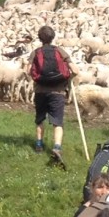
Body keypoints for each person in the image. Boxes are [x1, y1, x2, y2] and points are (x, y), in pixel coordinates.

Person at [30, 24, 74, 165]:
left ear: (39, 38)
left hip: (40, 91)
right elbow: (76, 70)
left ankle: (38, 144)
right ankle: (57, 147)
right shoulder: (60, 51)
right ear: (53, 37)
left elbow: (28, 70)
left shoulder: (36, 52)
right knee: (57, 121)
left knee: (40, 118)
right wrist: (69, 77)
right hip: (58, 91)